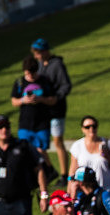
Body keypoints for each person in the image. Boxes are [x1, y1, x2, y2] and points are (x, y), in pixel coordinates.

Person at [31, 37, 72, 178]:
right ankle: (50, 169)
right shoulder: (40, 65)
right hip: (43, 109)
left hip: (56, 110)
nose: (36, 56)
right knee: (39, 142)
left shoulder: (57, 65)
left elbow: (66, 85)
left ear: (45, 51)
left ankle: (64, 174)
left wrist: (56, 98)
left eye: (38, 53)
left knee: (57, 142)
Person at [67, 115, 110, 193]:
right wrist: (70, 191)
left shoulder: (107, 143)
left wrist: (107, 156)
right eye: (87, 127)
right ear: (82, 129)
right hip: (86, 192)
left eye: (94, 126)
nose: (91, 129)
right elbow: (72, 171)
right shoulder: (77, 146)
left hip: (107, 190)